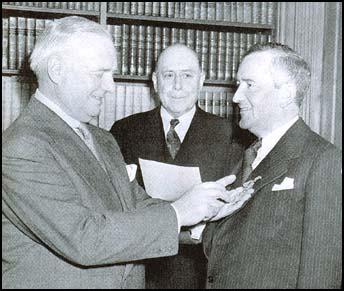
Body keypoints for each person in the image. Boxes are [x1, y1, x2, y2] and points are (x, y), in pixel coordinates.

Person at [2, 16, 252, 289]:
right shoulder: (22, 146)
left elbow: (136, 204)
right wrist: (180, 212)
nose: (111, 86)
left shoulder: (102, 138)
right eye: (100, 74)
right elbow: (85, 238)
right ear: (57, 70)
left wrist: (206, 210)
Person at [203, 42, 342, 288]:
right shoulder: (246, 156)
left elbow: (320, 271)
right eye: (238, 85)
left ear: (286, 93)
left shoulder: (322, 160)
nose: (236, 97)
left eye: (250, 85)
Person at [110, 44, 243, 289]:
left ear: (201, 80)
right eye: (169, 75)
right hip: (141, 272)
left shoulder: (231, 135)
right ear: (155, 81)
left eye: (187, 75)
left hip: (201, 275)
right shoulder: (124, 131)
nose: (177, 86)